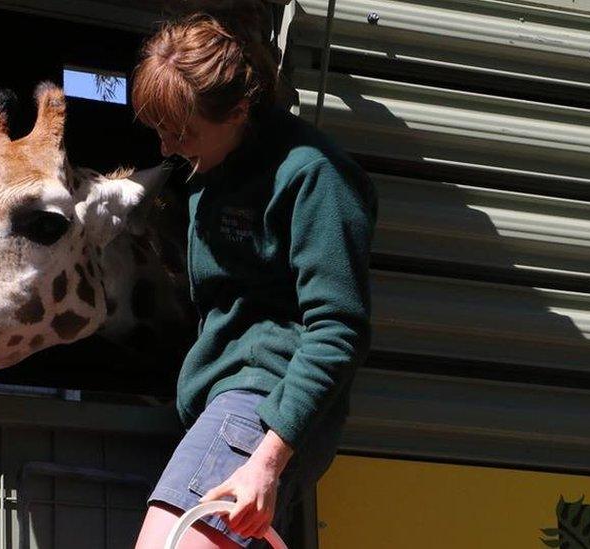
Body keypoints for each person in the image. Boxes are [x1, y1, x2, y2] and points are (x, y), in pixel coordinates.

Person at [130, 7, 378, 549]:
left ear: (240, 109)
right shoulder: (209, 173)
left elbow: (339, 329)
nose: (167, 148)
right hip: (226, 401)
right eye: (159, 131)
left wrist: (267, 458)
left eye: (183, 132)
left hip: (264, 402)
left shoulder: (315, 176)